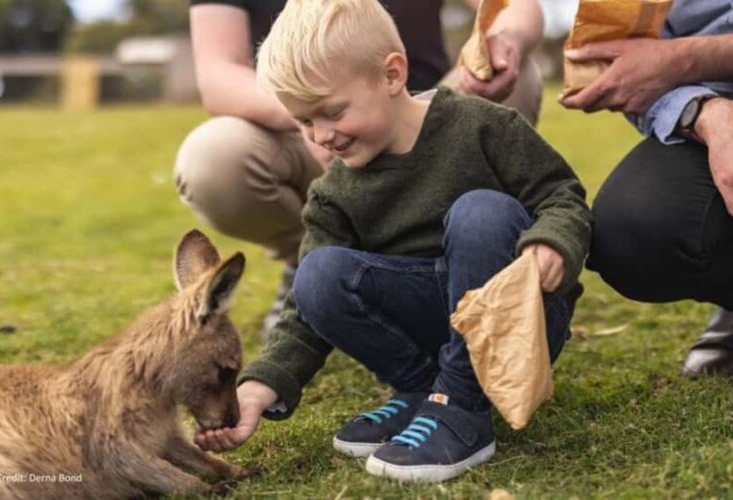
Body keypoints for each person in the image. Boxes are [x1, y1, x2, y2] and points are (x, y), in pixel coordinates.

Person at [194, 0, 591, 482]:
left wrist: (550, 242)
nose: (322, 136)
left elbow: (561, 194)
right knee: (317, 274)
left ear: (392, 74)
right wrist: (260, 387)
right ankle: (425, 390)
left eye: (332, 111)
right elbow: (305, 315)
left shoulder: (483, 126)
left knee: (482, 212)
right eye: (304, 122)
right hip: (429, 326)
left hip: (517, 322)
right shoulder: (333, 192)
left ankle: (462, 406)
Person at [174, 0, 545, 336]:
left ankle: (465, 262)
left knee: (514, 77)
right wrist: (316, 115)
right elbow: (217, 71)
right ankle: (311, 262)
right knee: (212, 159)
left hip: (426, 121)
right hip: (298, 135)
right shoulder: (318, 124)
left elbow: (513, 5)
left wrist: (506, 37)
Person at [560, 1, 733, 377]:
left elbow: (665, 62)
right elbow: (629, 67)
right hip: (715, 100)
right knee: (633, 225)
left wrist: (684, 58)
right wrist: (703, 112)